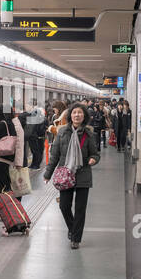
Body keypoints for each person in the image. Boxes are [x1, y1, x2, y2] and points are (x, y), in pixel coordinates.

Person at [43, 103, 100, 249]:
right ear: (70, 115)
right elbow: (55, 154)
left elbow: (95, 153)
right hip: (65, 174)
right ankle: (72, 228)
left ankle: (76, 238)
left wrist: (93, 159)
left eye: (80, 113)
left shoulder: (89, 133)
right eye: (74, 113)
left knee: (80, 209)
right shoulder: (62, 132)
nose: (77, 115)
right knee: (64, 206)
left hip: (83, 174)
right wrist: (48, 174)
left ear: (84, 116)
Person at [24, 99, 46, 169]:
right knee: (36, 150)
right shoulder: (37, 111)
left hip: (34, 135)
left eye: (27, 106)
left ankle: (36, 165)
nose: (26, 108)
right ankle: (34, 164)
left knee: (36, 151)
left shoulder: (34, 113)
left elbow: (32, 126)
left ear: (31, 106)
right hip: (37, 134)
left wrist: (27, 135)